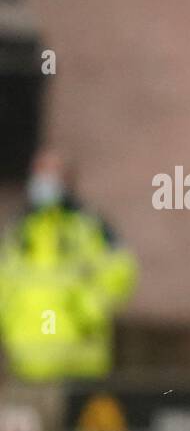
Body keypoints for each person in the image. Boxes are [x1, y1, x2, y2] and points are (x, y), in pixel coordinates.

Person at [0, 149, 136, 381]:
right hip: (25, 361)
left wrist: (89, 310)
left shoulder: (91, 226)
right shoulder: (20, 230)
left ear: (68, 179)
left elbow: (121, 272)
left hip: (80, 359)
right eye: (39, 174)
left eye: (51, 174)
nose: (43, 182)